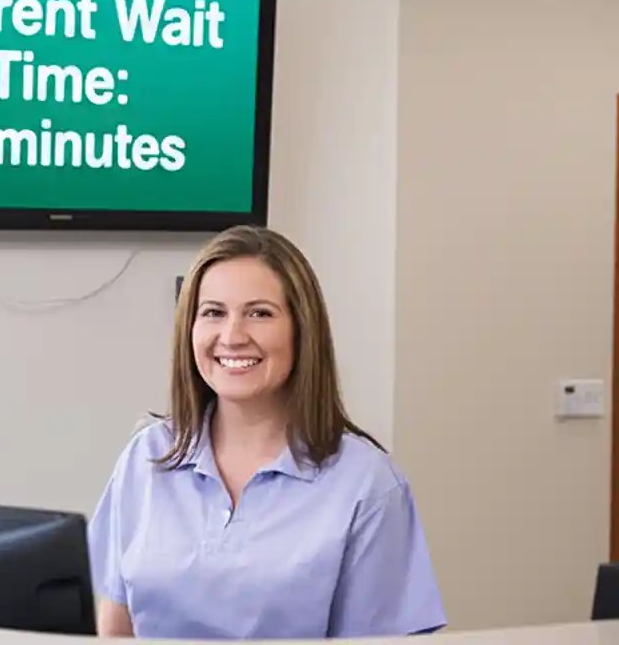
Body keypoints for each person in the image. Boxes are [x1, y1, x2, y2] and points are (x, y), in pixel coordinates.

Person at [88, 225, 446, 640]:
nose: (233, 337)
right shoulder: (146, 458)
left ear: (302, 330)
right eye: (213, 313)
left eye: (259, 313)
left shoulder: (368, 484)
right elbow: (114, 631)